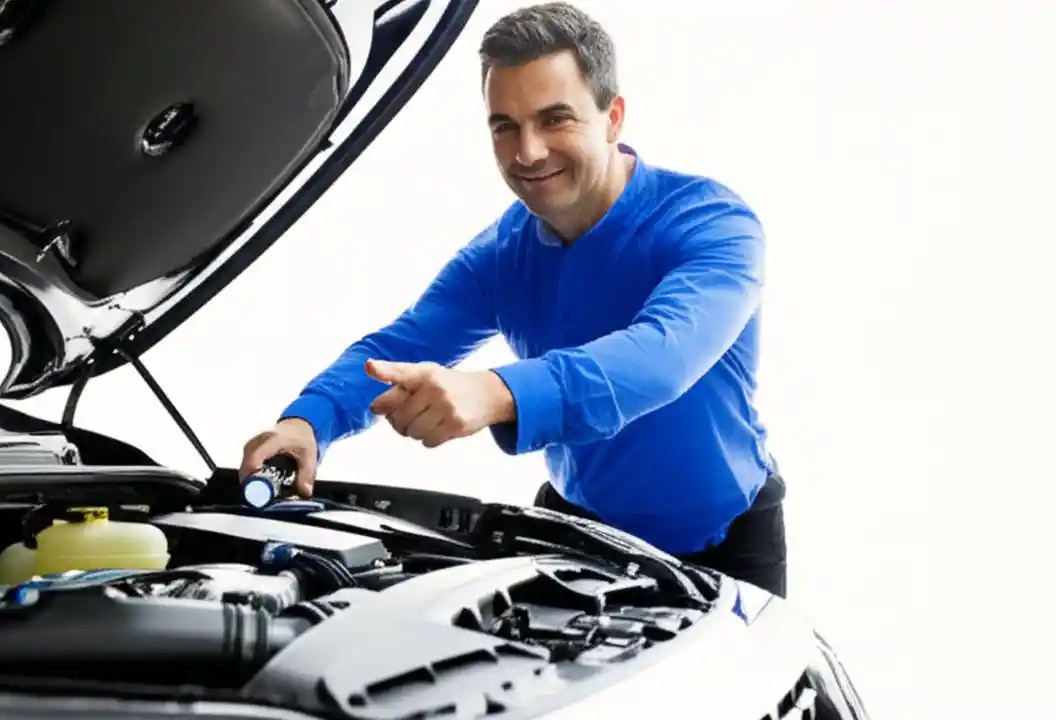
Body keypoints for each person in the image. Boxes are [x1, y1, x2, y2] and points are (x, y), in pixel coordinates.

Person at [239, 2, 788, 597]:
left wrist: (494, 392)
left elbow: (660, 359)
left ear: (613, 117)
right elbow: (400, 346)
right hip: (578, 531)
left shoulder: (714, 225)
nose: (527, 152)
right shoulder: (501, 253)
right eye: (505, 125)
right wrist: (306, 423)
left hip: (727, 542)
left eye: (555, 119)